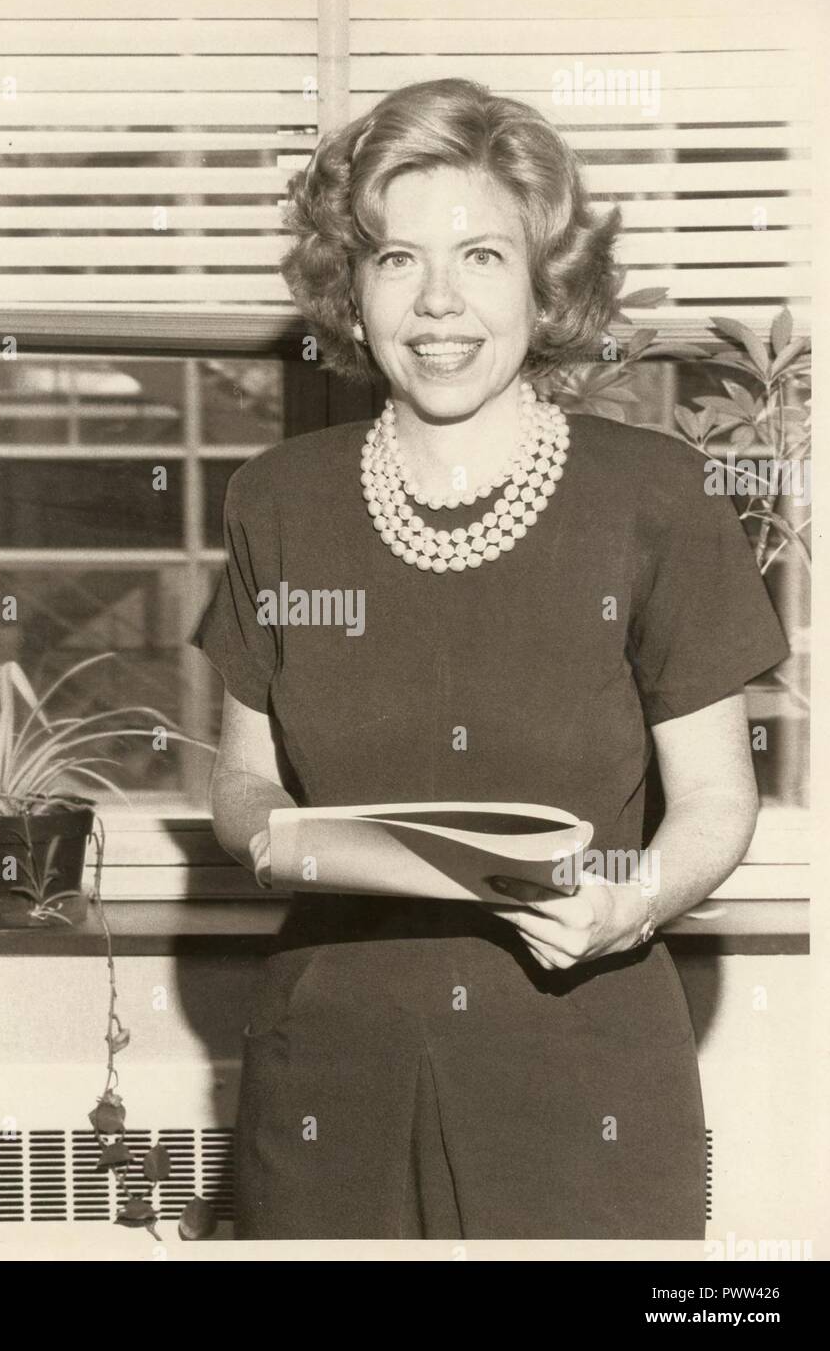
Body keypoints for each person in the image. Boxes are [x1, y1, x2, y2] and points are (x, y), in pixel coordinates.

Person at [189, 78, 790, 1240]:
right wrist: (273, 834)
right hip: (329, 1063)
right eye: (398, 260)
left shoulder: (650, 495)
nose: (439, 304)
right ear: (351, 294)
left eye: (481, 255)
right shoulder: (277, 500)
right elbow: (239, 780)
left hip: (581, 1057)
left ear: (542, 283)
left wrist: (640, 896)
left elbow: (716, 797)